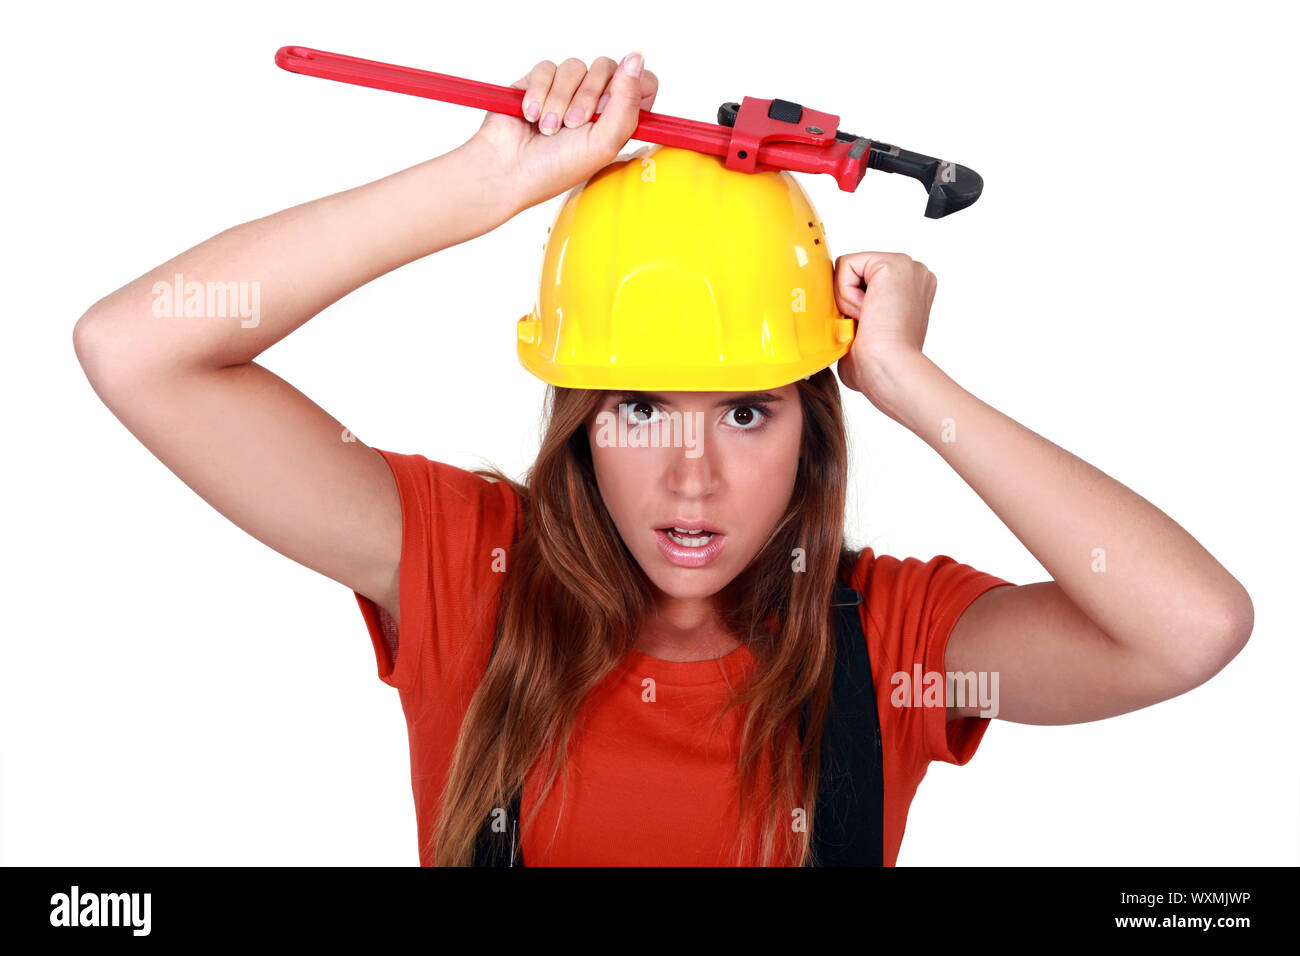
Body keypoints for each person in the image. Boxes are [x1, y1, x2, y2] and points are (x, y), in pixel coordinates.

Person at [73, 51, 1254, 867]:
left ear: (814, 421)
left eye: (746, 412)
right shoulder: (465, 571)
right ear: (580, 419)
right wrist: (482, 183)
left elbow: (1186, 626)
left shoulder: (891, 651)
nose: (691, 474)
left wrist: (910, 380)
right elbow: (138, 348)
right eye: (639, 406)